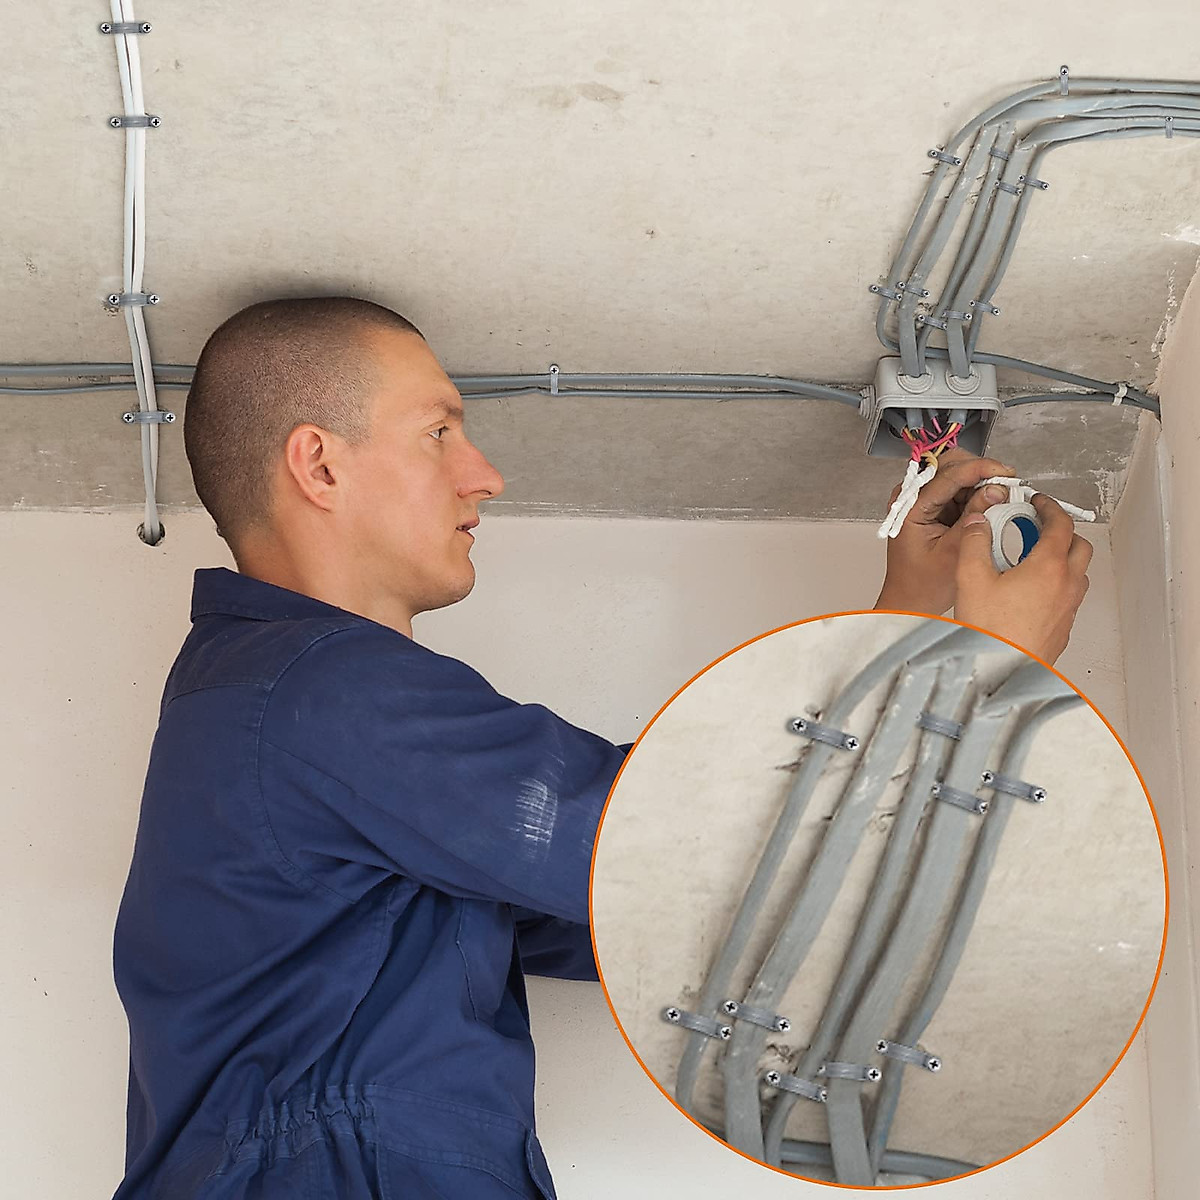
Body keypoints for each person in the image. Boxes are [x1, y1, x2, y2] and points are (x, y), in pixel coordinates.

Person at [109, 296, 1092, 1200]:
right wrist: (988, 666)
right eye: (439, 431)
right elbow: (667, 850)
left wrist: (905, 616)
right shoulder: (323, 691)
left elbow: (663, 913)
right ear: (320, 465)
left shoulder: (289, 714)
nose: (484, 474)